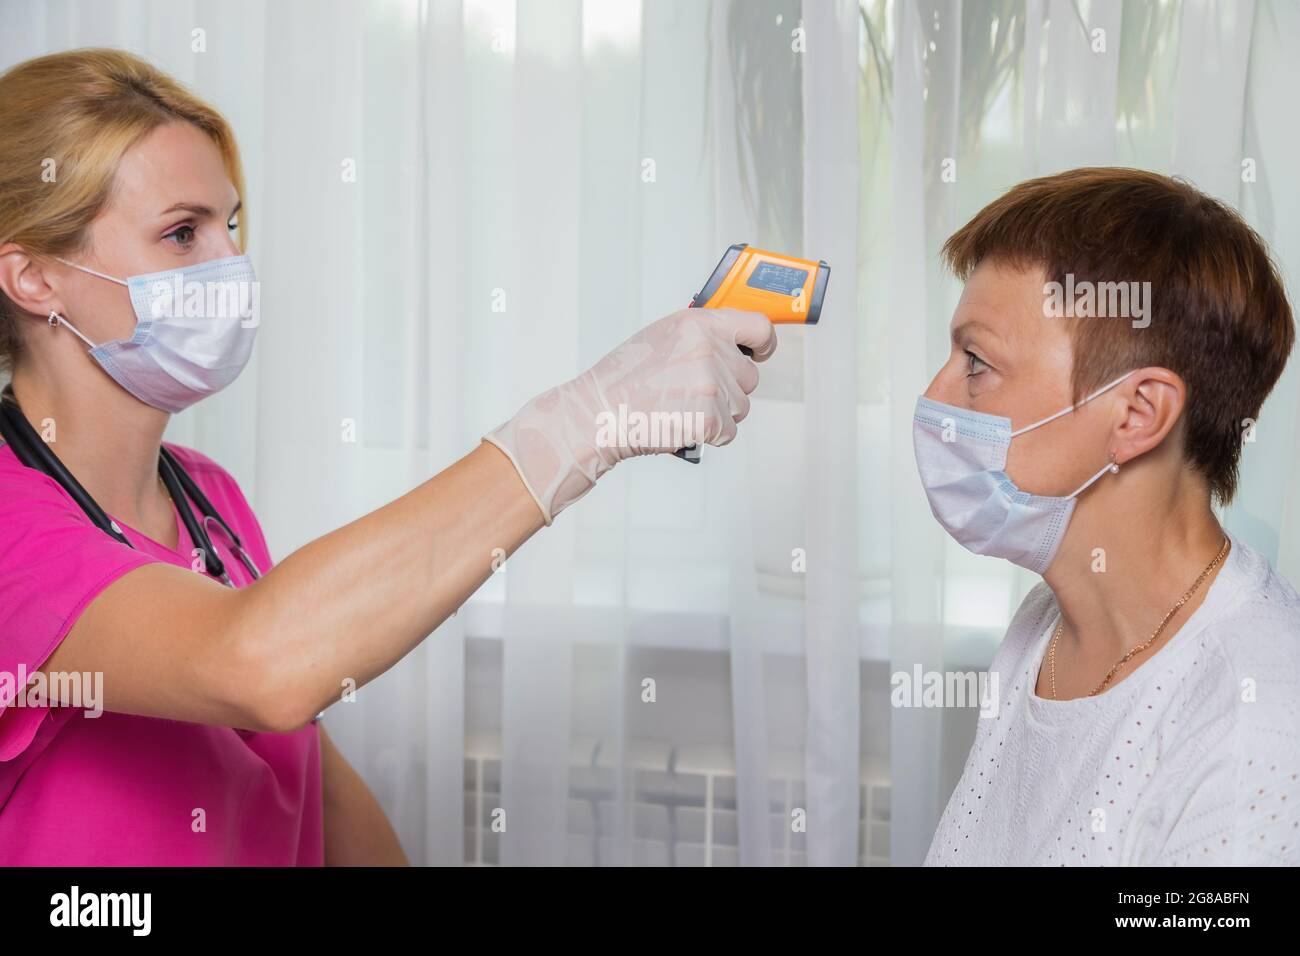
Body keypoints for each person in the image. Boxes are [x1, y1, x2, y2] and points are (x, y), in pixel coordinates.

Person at [0, 48, 775, 865]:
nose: (232, 268)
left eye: (232, 227)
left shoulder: (207, 499)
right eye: (182, 233)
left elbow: (314, 781)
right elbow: (262, 666)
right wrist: (587, 420)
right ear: (35, 278)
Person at [914, 167, 1300, 865]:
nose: (937, 396)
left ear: (1137, 414)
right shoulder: (1046, 627)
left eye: (976, 362)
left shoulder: (1261, 735)